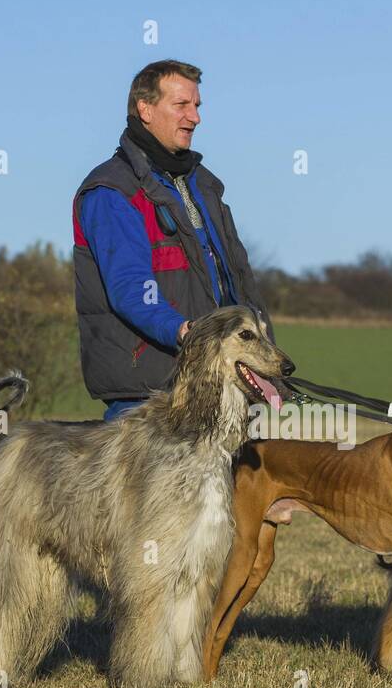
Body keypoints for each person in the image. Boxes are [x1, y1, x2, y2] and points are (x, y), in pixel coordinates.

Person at [72, 59, 272, 420]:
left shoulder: (204, 186)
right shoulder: (112, 190)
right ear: (145, 109)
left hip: (215, 384)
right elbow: (131, 287)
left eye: (196, 106)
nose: (194, 117)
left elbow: (239, 280)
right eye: (182, 105)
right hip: (150, 392)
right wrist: (184, 332)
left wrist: (263, 351)